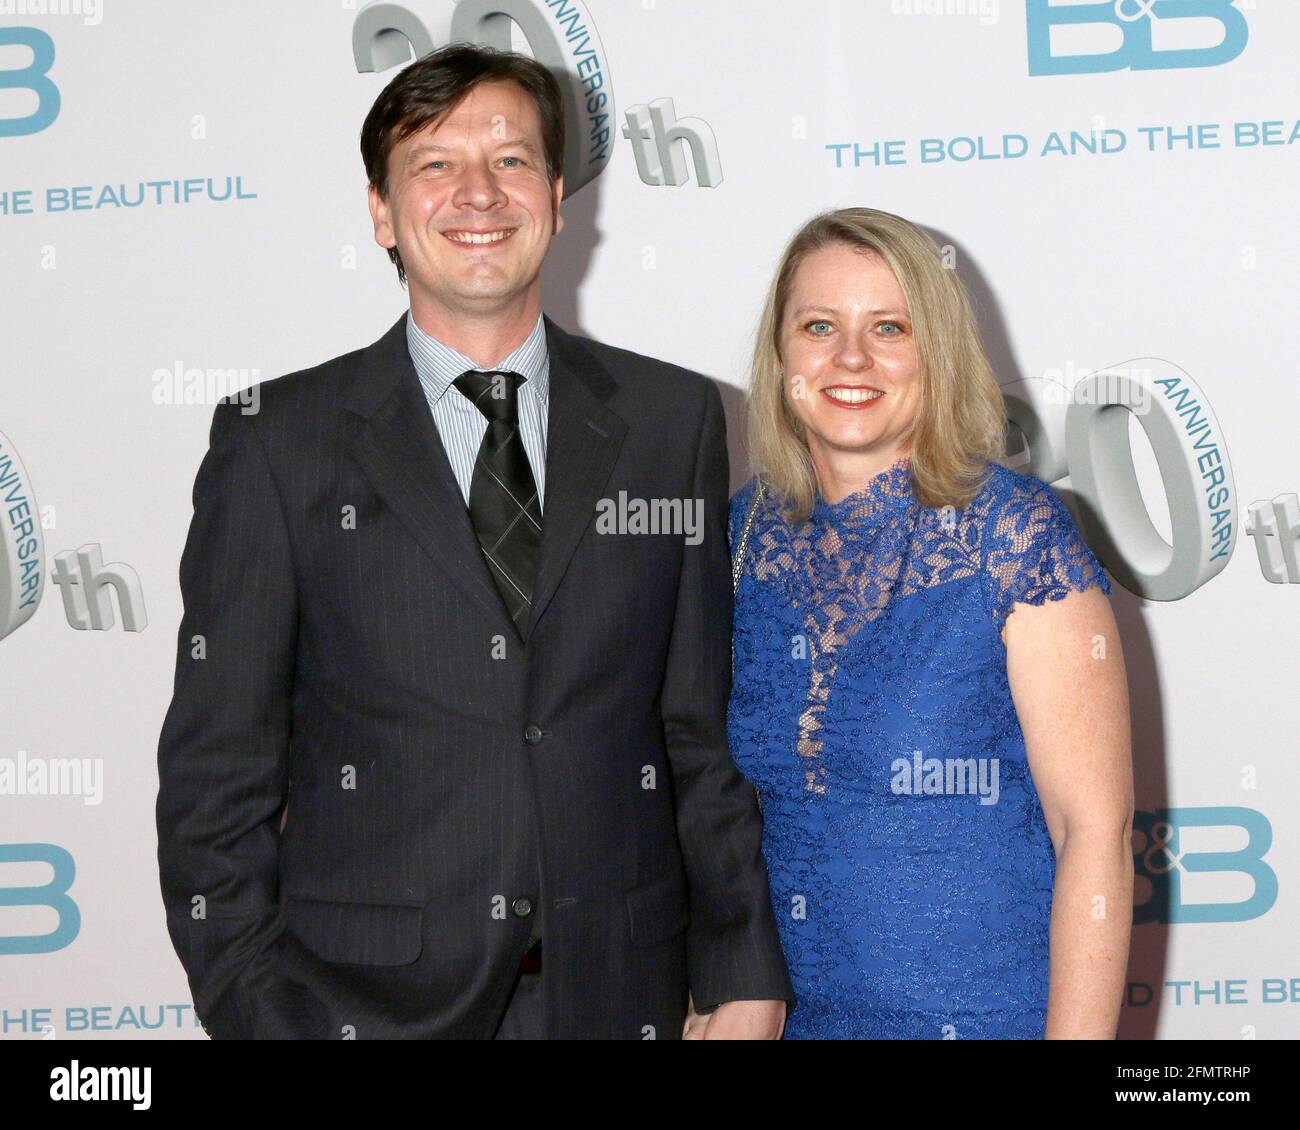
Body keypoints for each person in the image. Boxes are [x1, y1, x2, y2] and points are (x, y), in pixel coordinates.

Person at [155, 43, 792, 1040]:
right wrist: (258, 1014)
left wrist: (746, 966)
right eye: (434, 165)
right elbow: (215, 779)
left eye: (508, 161)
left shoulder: (674, 422)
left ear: (555, 194)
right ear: (381, 212)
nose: (477, 193)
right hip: (364, 1008)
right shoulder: (276, 441)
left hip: (619, 992)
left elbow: (695, 735)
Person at [725, 207, 1134, 1039]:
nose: (851, 358)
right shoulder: (737, 542)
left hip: (990, 1018)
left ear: (936, 353)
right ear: (780, 355)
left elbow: (1095, 832)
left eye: (889, 327)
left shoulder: (1015, 535)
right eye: (818, 326)